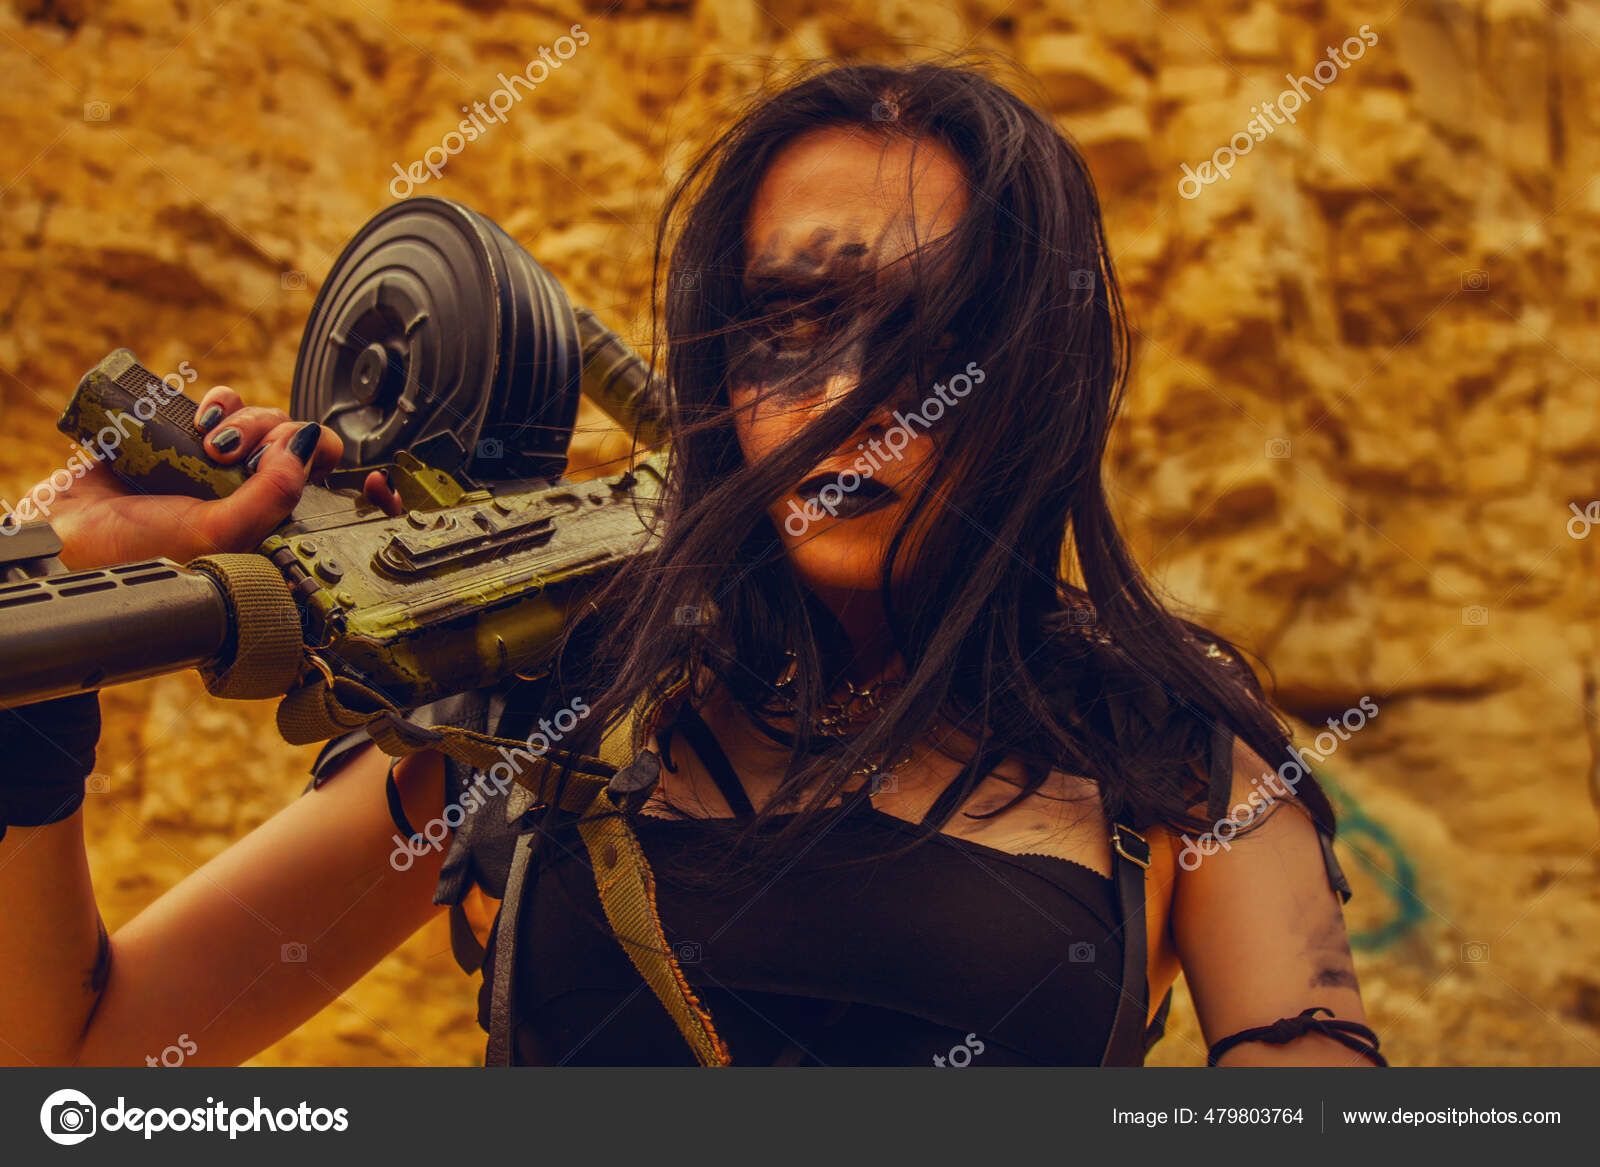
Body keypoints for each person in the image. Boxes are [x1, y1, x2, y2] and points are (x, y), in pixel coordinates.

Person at [0, 60, 1383, 1068]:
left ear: (1032, 378)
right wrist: (51, 614)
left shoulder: (1171, 749)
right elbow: (72, 1066)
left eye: (925, 338)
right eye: (787, 320)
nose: (849, 392)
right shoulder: (549, 698)